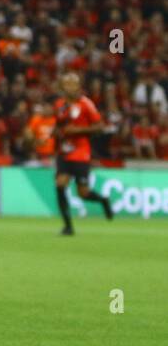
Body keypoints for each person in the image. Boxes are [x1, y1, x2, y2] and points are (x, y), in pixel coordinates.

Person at [54, 72, 114, 236]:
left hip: (81, 153)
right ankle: (68, 226)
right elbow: (59, 126)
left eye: (73, 84)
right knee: (60, 185)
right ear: (62, 87)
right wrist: (56, 133)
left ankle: (103, 200)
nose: (70, 87)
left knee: (83, 193)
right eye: (66, 84)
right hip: (64, 152)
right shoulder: (59, 104)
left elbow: (100, 126)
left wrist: (78, 130)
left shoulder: (86, 104)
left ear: (78, 86)